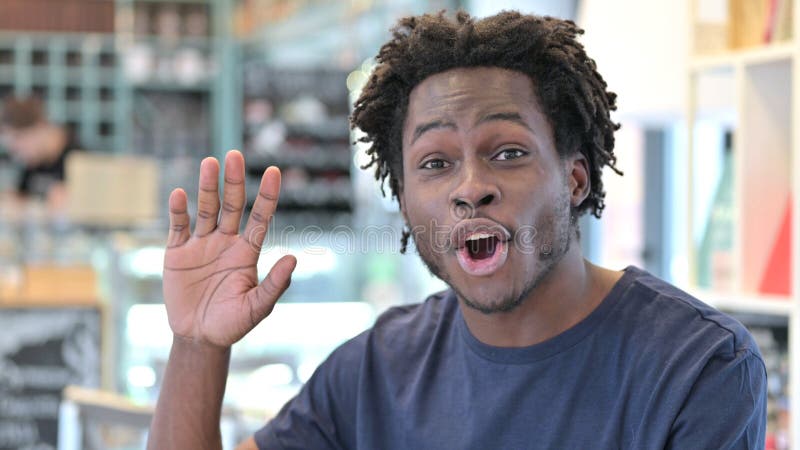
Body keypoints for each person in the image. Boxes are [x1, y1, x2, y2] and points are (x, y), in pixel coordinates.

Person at [147, 11, 767, 450]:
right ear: (404, 199)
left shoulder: (697, 367)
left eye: (508, 152)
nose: (470, 187)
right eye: (435, 163)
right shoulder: (375, 371)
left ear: (575, 178)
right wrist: (198, 347)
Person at [0, 96, 77, 203]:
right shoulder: (33, 163)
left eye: (19, 139)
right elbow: (20, 198)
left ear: (40, 127)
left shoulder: (78, 160)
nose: (18, 154)